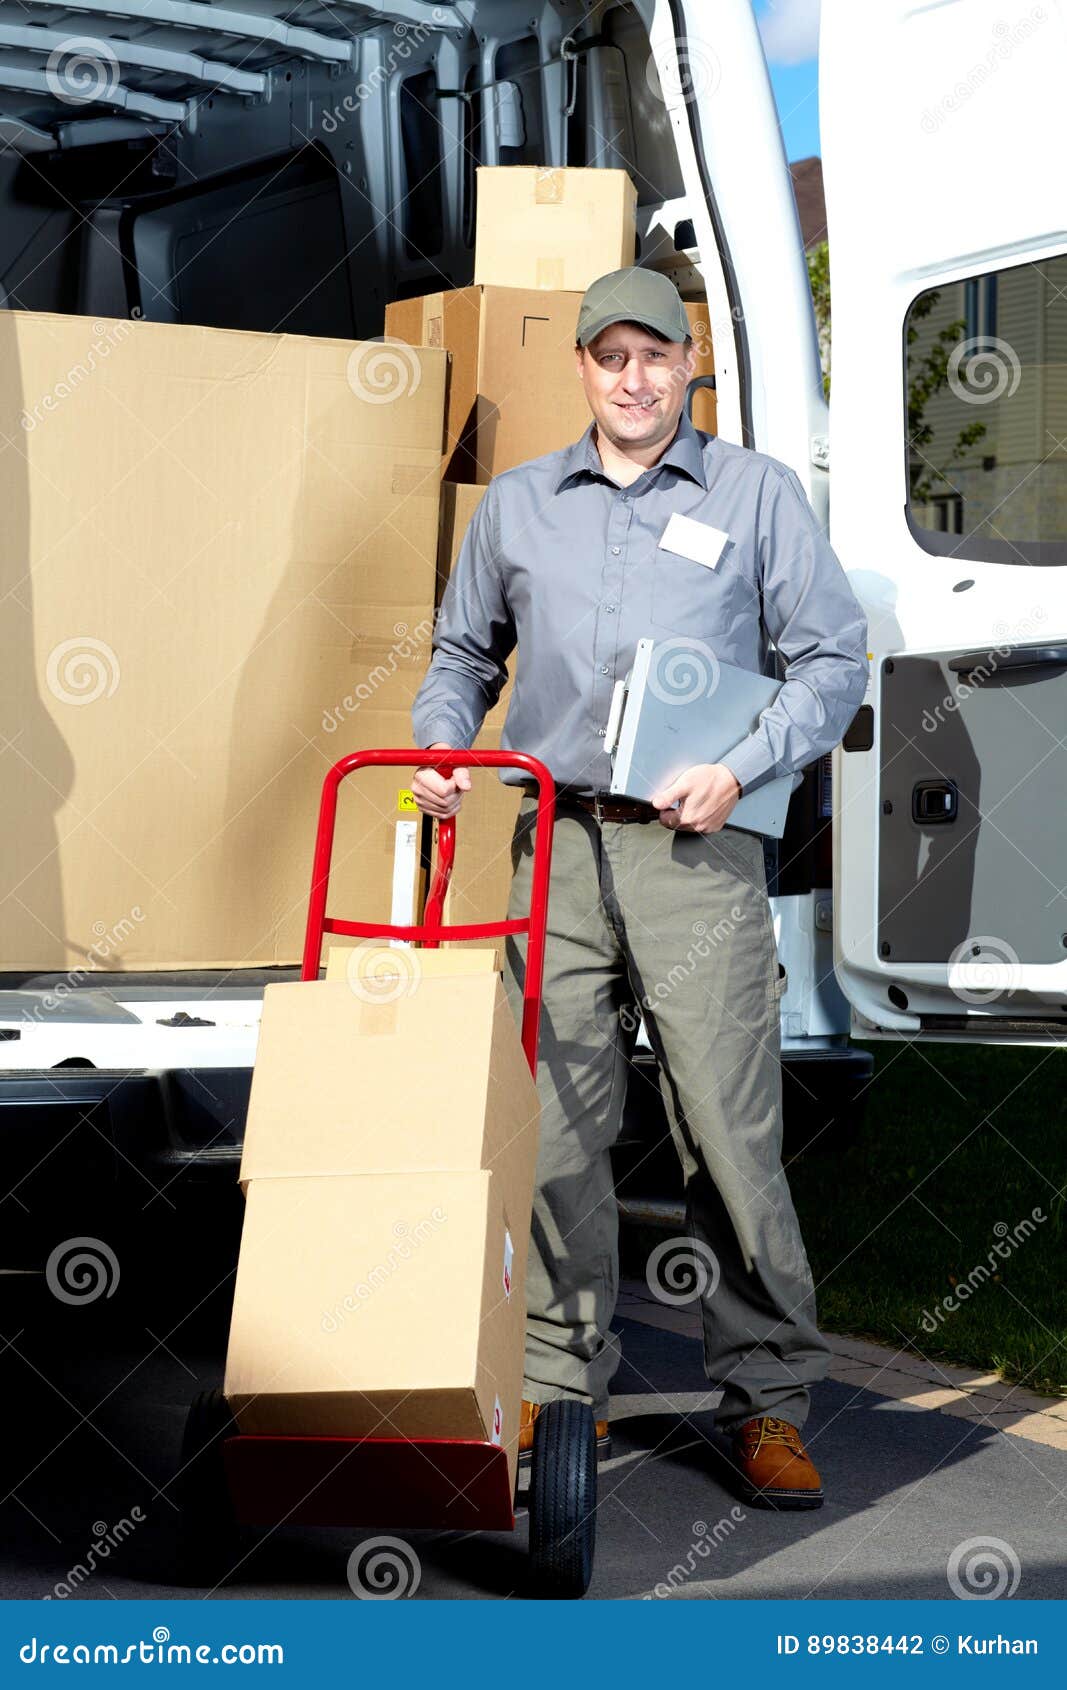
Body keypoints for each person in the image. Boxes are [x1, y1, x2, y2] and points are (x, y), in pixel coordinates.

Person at [410, 266, 868, 1509]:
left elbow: (833, 661)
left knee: (725, 1129)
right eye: (610, 355)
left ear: (685, 366)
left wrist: (744, 763)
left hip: (693, 846)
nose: (634, 377)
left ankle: (767, 1397)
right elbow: (461, 652)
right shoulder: (515, 507)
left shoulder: (754, 495)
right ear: (581, 369)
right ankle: (561, 1390)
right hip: (551, 845)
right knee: (556, 1127)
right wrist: (443, 742)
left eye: (655, 355)